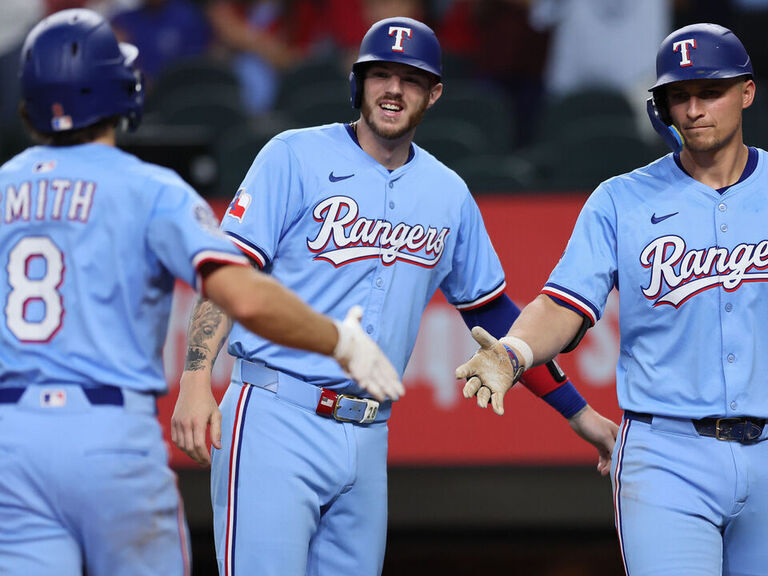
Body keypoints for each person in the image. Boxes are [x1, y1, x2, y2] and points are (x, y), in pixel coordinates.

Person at [172, 16, 618, 576]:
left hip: (368, 433)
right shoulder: (293, 155)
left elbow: (499, 317)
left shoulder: (448, 193)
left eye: (409, 79)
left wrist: (579, 415)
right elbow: (226, 273)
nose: (392, 89)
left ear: (433, 93)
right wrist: (194, 381)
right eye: (380, 74)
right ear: (358, 83)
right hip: (276, 413)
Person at [0, 9, 401, 576]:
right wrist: (338, 339)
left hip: (12, 437)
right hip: (108, 436)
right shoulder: (150, 189)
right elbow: (249, 298)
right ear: (124, 93)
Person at [457, 22, 768, 576]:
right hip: (667, 453)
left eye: (710, 91)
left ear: (746, 92)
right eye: (680, 95)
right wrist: (514, 353)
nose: (694, 109)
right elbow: (562, 306)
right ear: (663, 106)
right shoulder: (622, 199)